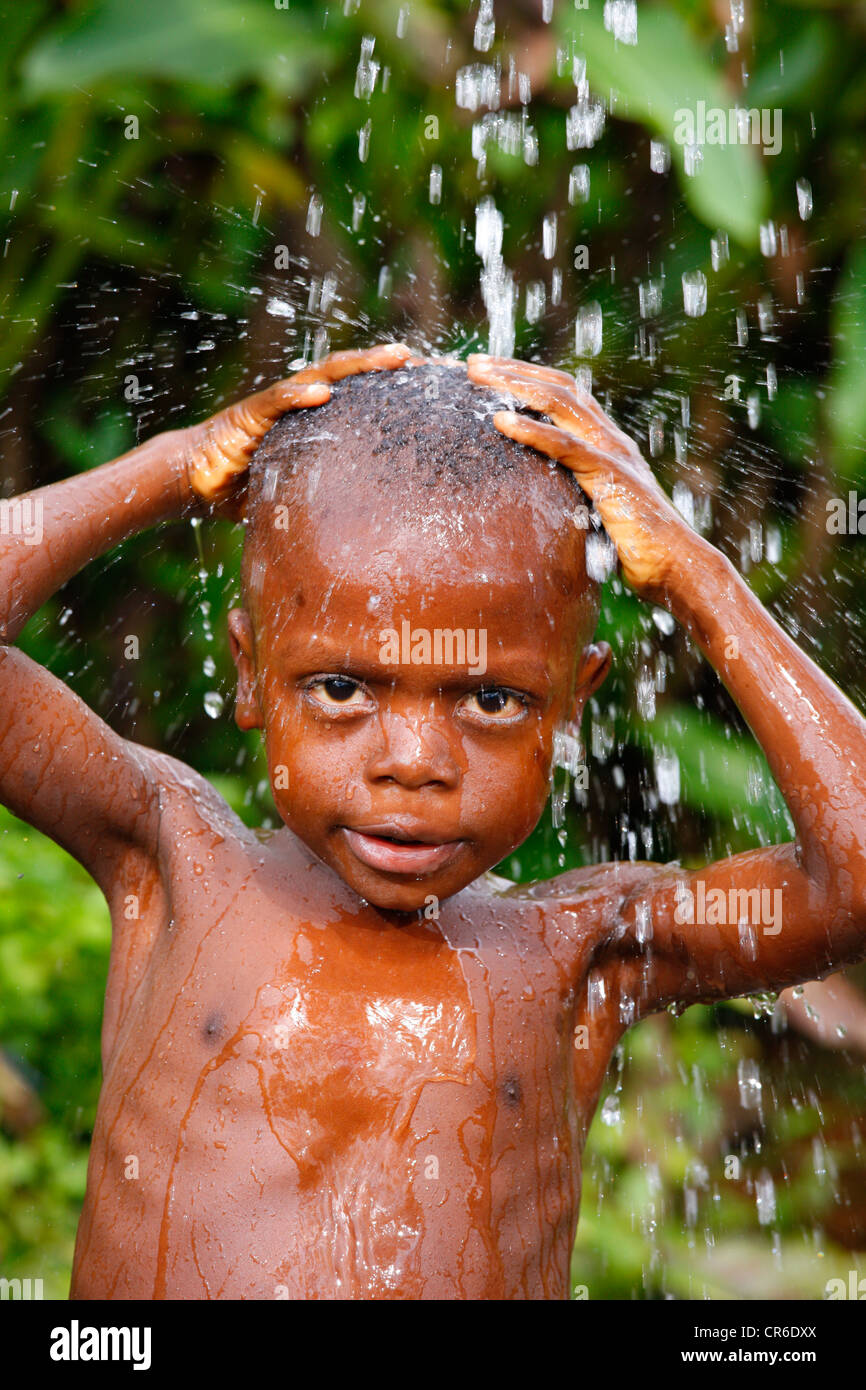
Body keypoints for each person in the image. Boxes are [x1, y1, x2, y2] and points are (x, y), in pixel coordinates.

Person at [2, 344, 865, 1300]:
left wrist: (696, 577)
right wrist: (176, 466)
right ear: (250, 672)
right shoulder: (170, 858)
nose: (413, 762)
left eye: (491, 702)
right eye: (340, 688)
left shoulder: (582, 951)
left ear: (570, 710)